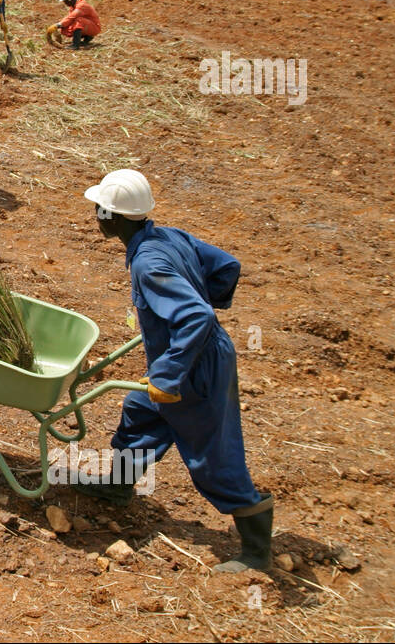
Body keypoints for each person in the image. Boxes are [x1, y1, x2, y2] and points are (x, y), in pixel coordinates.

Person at [79, 169, 273, 573]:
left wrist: (169, 373)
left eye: (100, 208)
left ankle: (256, 552)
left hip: (196, 368)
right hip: (190, 354)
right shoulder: (167, 236)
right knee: (140, 410)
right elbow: (226, 267)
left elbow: (196, 316)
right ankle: (117, 487)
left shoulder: (148, 264)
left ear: (113, 218)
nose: (95, 213)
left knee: (213, 456)